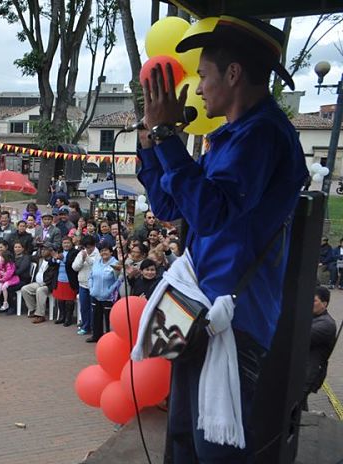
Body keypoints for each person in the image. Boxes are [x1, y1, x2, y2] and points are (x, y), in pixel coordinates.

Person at [137, 16, 309, 459]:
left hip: (232, 319)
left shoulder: (264, 134)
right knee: (179, 438)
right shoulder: (230, 137)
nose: (196, 89)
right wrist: (150, 143)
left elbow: (211, 213)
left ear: (233, 74)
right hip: (194, 304)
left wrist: (166, 136)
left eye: (204, 76)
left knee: (213, 449)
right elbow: (172, 208)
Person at [303, 287, 337, 410]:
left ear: (324, 304)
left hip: (308, 374)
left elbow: (301, 336)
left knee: (295, 404)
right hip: (303, 371)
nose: (310, 303)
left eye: (314, 301)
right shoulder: (313, 317)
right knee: (297, 405)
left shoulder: (327, 325)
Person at [86, 244, 119, 342]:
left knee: (109, 320)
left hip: (108, 297)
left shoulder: (116, 264)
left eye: (106, 250)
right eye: (101, 251)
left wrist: (109, 291)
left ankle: (109, 339)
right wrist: (91, 288)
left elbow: (118, 280)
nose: (103, 253)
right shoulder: (96, 263)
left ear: (111, 252)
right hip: (95, 295)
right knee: (96, 317)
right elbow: (91, 277)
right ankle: (96, 336)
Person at [22, 243, 55, 324]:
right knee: (24, 289)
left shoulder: (53, 262)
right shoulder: (39, 259)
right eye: (42, 249)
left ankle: (40, 315)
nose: (42, 251)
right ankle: (34, 310)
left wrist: (46, 283)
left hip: (47, 285)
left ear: (50, 251)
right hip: (37, 283)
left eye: (45, 249)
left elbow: (53, 276)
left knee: (40, 290)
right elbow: (30, 256)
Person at [73, 235, 98, 336]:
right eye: (86, 247)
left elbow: (96, 266)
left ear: (94, 245)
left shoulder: (98, 254)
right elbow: (75, 267)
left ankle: (93, 327)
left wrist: (87, 258)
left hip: (93, 285)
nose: (88, 249)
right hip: (82, 284)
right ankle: (85, 326)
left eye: (90, 247)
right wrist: (82, 259)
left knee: (93, 308)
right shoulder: (81, 253)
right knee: (84, 307)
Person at [52, 236, 79, 327]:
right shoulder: (59, 252)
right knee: (60, 300)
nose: (66, 245)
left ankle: (68, 318)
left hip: (70, 280)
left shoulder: (75, 252)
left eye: (68, 243)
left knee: (69, 301)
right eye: (64, 243)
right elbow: (51, 264)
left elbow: (72, 264)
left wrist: (62, 259)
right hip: (59, 278)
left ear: (71, 244)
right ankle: (62, 317)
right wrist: (54, 259)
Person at [0, 249, 18, 313]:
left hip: (12, 279)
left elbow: (8, 275)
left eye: (2, 257)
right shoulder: (0, 263)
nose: (1, 259)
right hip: (2, 279)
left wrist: (2, 279)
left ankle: (5, 303)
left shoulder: (11, 265)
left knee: (4, 287)